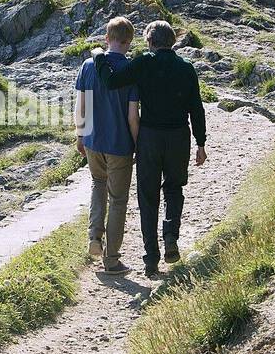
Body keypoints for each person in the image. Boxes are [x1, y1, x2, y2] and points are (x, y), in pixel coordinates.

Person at [94, 19, 206, 277]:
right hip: (179, 136)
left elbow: (111, 82)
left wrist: (99, 57)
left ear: (150, 42)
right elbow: (196, 109)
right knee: (174, 188)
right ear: (173, 42)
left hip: (149, 138)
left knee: (147, 198)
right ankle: (170, 234)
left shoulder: (144, 62)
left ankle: (151, 259)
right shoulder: (186, 68)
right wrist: (201, 143)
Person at [75, 16, 140, 276]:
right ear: (129, 42)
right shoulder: (131, 71)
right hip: (119, 144)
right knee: (118, 200)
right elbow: (132, 116)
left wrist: (80, 136)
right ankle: (111, 260)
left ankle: (94, 236)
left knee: (97, 185)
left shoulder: (89, 65)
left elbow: (82, 105)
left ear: (107, 38)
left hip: (92, 140)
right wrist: (137, 145)